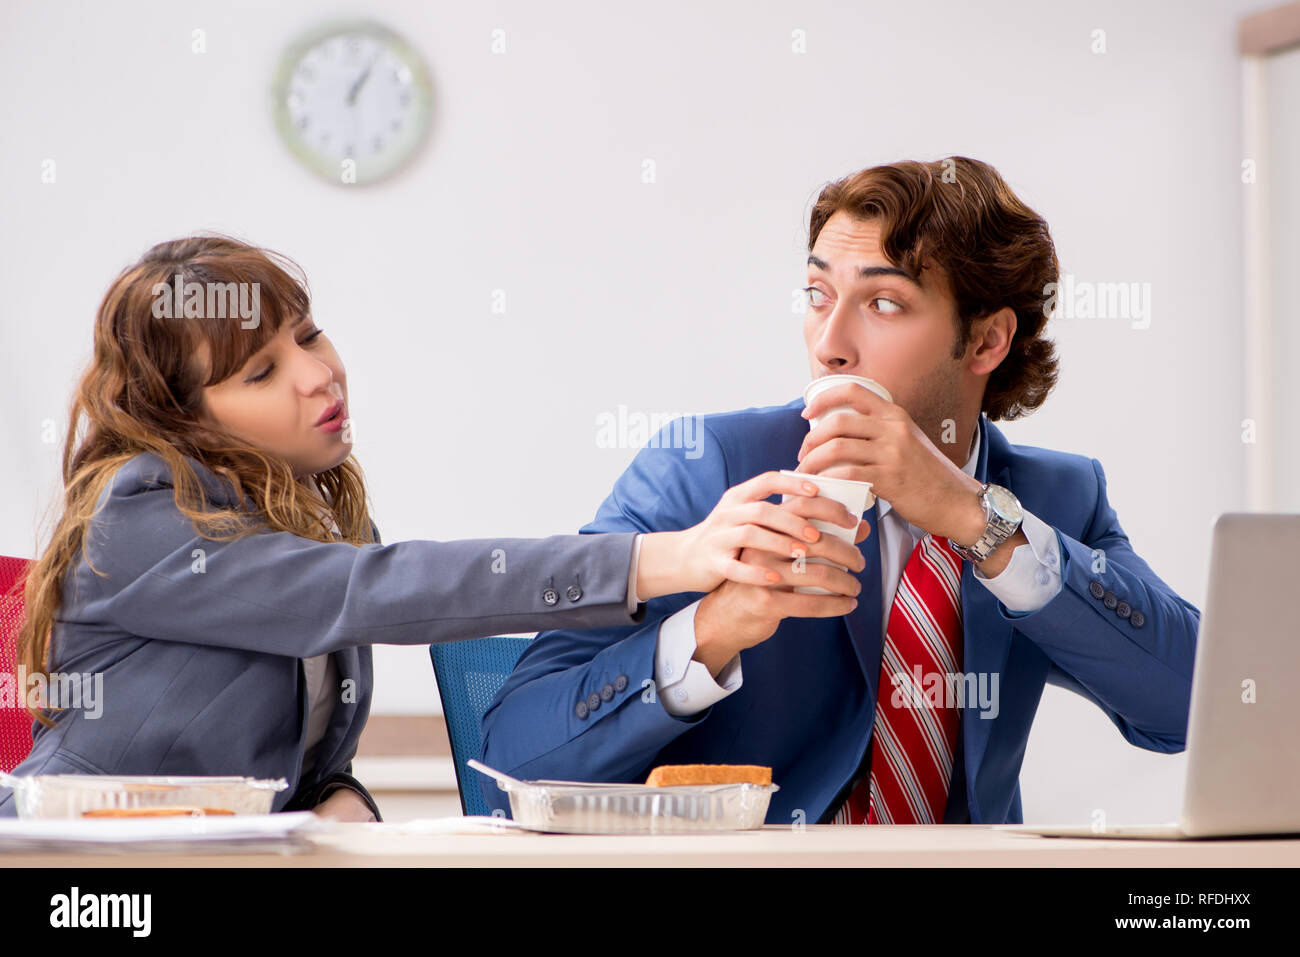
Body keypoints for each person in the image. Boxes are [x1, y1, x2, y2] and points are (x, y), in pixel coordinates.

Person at [0, 235, 865, 821]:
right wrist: (669, 557)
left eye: (310, 334)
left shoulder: (315, 506)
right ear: (183, 416)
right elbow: (375, 592)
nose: (318, 374)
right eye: (263, 370)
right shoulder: (141, 510)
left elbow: (291, 749)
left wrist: (341, 797)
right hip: (75, 865)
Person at [480, 156, 1203, 826]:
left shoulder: (1054, 495)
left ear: (986, 342)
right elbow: (511, 758)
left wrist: (974, 519)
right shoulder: (708, 468)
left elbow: (1194, 705)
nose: (829, 342)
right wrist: (715, 627)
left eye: (883, 303)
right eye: (818, 293)